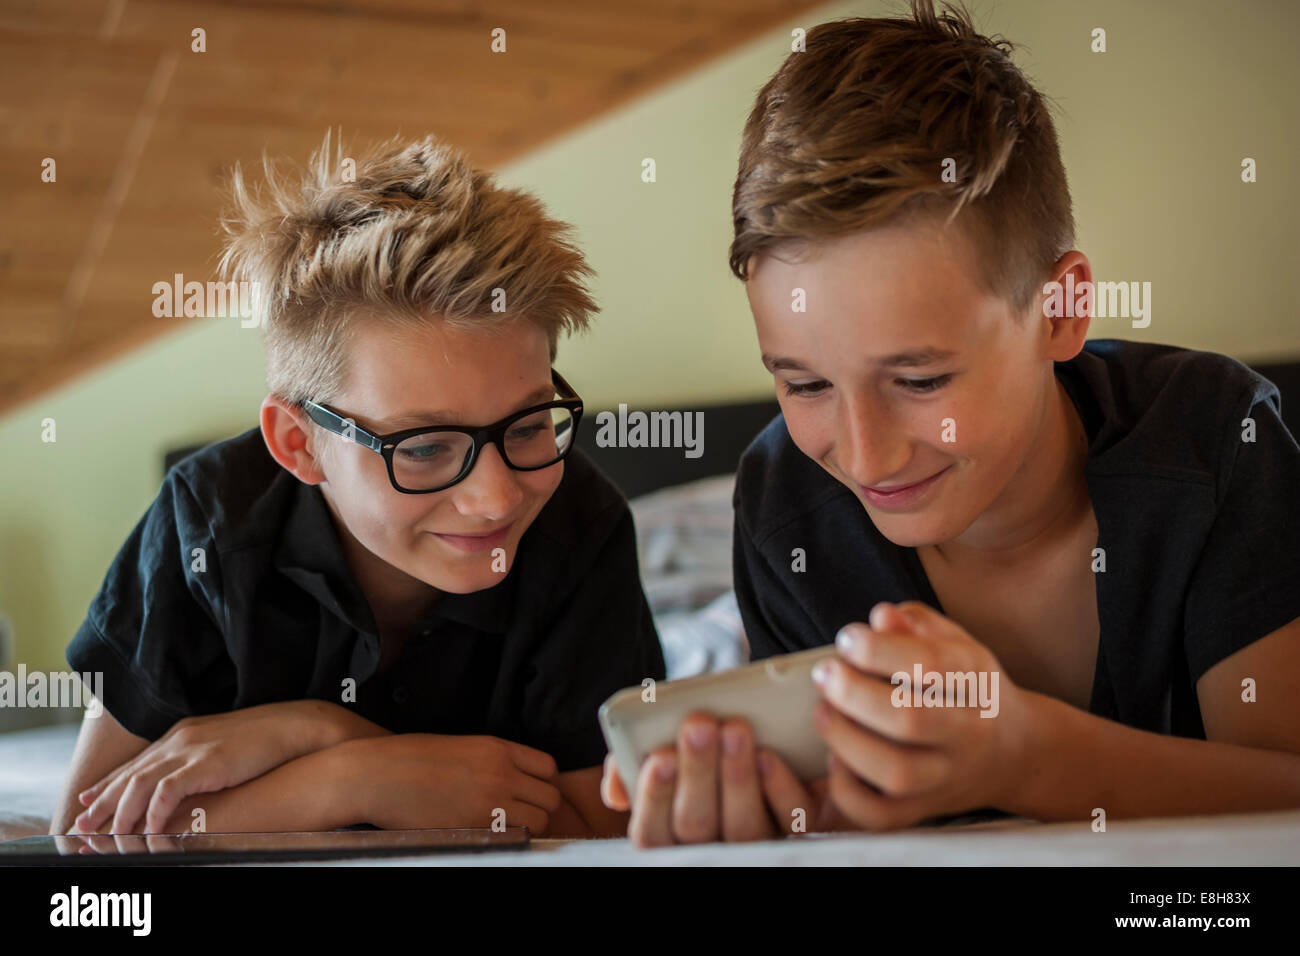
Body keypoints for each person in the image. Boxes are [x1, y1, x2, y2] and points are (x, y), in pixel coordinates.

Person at [602, 1, 1300, 847]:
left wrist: (1024, 757)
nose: (863, 456)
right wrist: (806, 815)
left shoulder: (1217, 440)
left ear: (1063, 309)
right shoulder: (786, 502)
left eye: (921, 378)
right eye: (807, 384)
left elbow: (1286, 789)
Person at [52, 132, 664, 838]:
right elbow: (84, 835)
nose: (496, 498)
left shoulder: (581, 525)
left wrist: (336, 753)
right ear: (298, 444)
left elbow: (603, 828)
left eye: (528, 427)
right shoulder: (207, 526)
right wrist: (344, 774)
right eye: (427, 446)